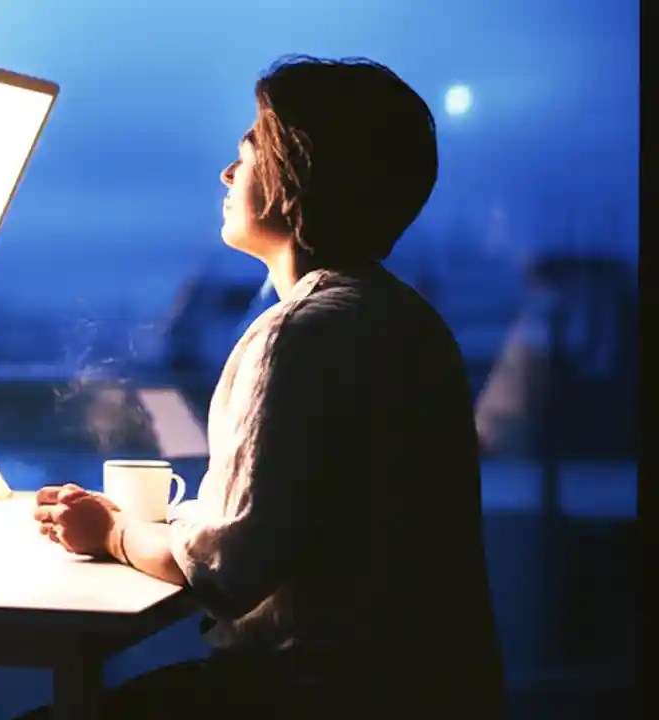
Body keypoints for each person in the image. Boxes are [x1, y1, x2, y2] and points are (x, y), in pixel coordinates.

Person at [25, 55, 506, 718]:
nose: (227, 173)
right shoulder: (409, 320)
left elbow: (226, 571)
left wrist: (110, 531)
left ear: (291, 178)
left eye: (247, 152)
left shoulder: (298, 332)